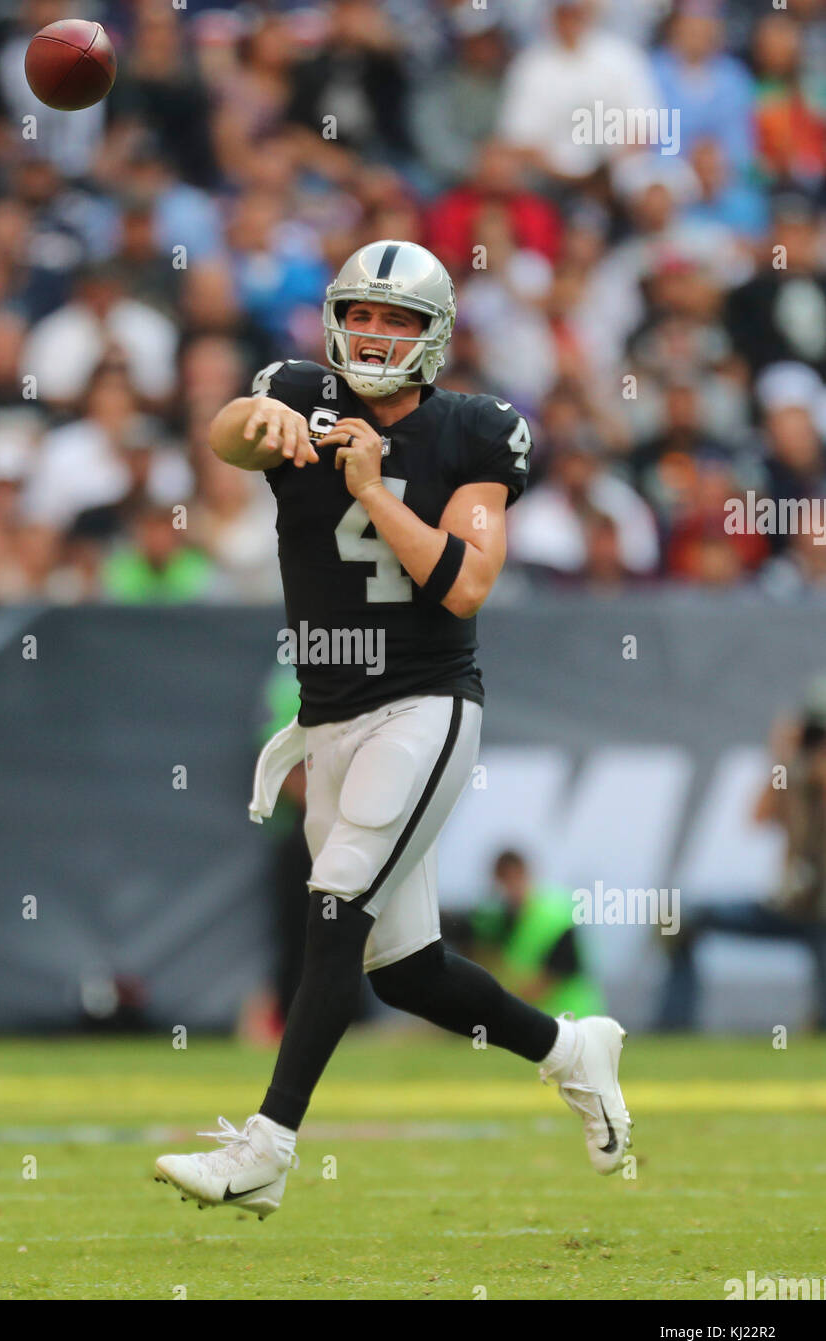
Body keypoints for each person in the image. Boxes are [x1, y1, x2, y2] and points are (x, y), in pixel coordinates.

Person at [155, 240, 632, 1220]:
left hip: (424, 703)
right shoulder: (299, 384)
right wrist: (261, 416)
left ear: (434, 336)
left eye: (396, 320)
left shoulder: (475, 430)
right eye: (361, 315)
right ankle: (570, 1048)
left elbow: (466, 582)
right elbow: (231, 439)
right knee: (405, 972)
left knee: (332, 911)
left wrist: (375, 486)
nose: (373, 335)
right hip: (327, 715)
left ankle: (269, 1146)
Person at [658, 677, 826, 1030]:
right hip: (793, 907)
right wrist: (780, 760)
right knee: (679, 918)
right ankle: (672, 1029)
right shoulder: (795, 777)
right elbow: (759, 817)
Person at [463, 849, 605, 1017]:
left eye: (511, 879)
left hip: (572, 1016)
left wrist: (497, 1000)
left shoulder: (556, 914)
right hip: (534, 1018)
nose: (507, 888)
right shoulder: (499, 918)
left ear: (524, 874)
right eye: (503, 881)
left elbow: (556, 975)